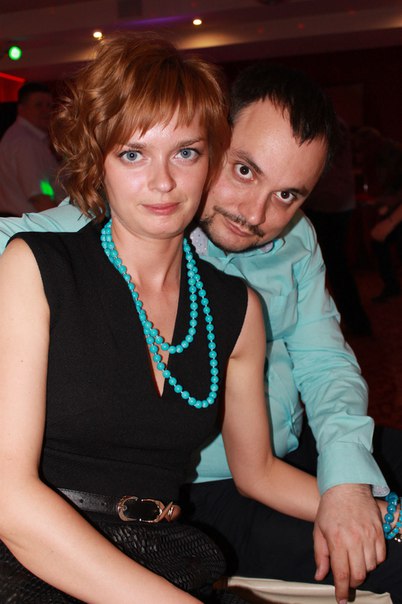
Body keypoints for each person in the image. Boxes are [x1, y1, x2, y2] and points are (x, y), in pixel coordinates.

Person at [0, 60, 401, 603]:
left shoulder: (251, 289)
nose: (255, 212)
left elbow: (323, 365)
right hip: (161, 506)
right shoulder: (59, 249)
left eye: (288, 194)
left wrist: (363, 497)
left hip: (228, 493)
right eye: (246, 171)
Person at [304, 117, 372, 335]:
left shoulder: (322, 122)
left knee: (329, 266)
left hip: (325, 203)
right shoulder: (338, 123)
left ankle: (353, 323)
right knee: (334, 266)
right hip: (340, 202)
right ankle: (354, 322)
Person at [0, 81, 63, 217]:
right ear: (21, 109)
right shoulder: (25, 142)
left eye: (49, 105)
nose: (46, 111)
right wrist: (61, 225)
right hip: (28, 223)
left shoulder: (25, 137)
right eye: (39, 105)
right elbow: (39, 197)